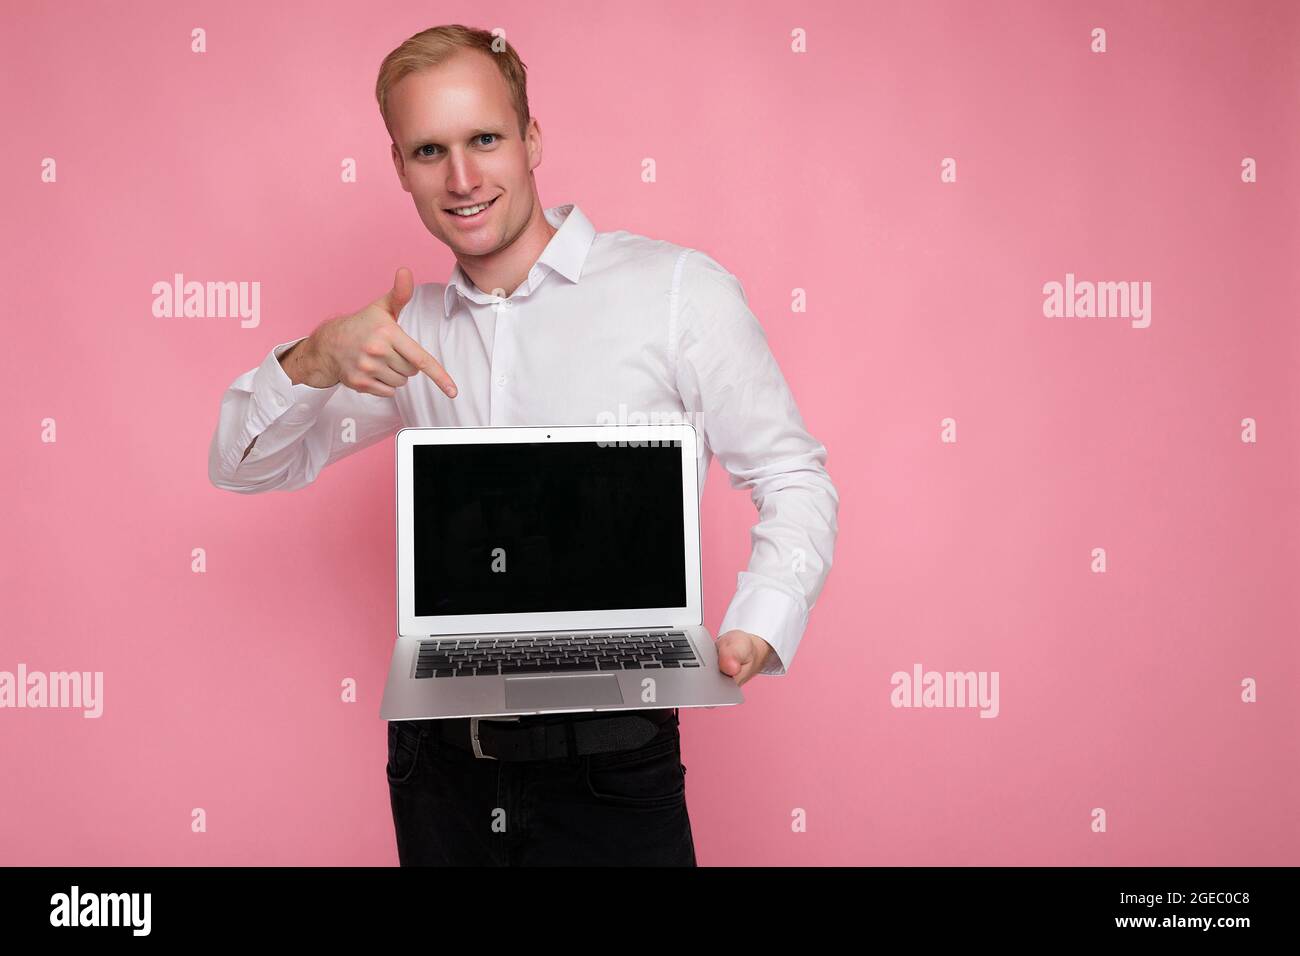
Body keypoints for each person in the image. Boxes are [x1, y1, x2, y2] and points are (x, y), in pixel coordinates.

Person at [207, 24, 839, 866]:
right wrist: (314, 357)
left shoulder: (675, 292)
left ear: (532, 139)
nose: (462, 179)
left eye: (485, 140)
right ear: (399, 167)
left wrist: (762, 621)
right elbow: (243, 467)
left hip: (612, 762)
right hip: (440, 769)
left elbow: (792, 474)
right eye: (429, 150)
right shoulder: (404, 333)